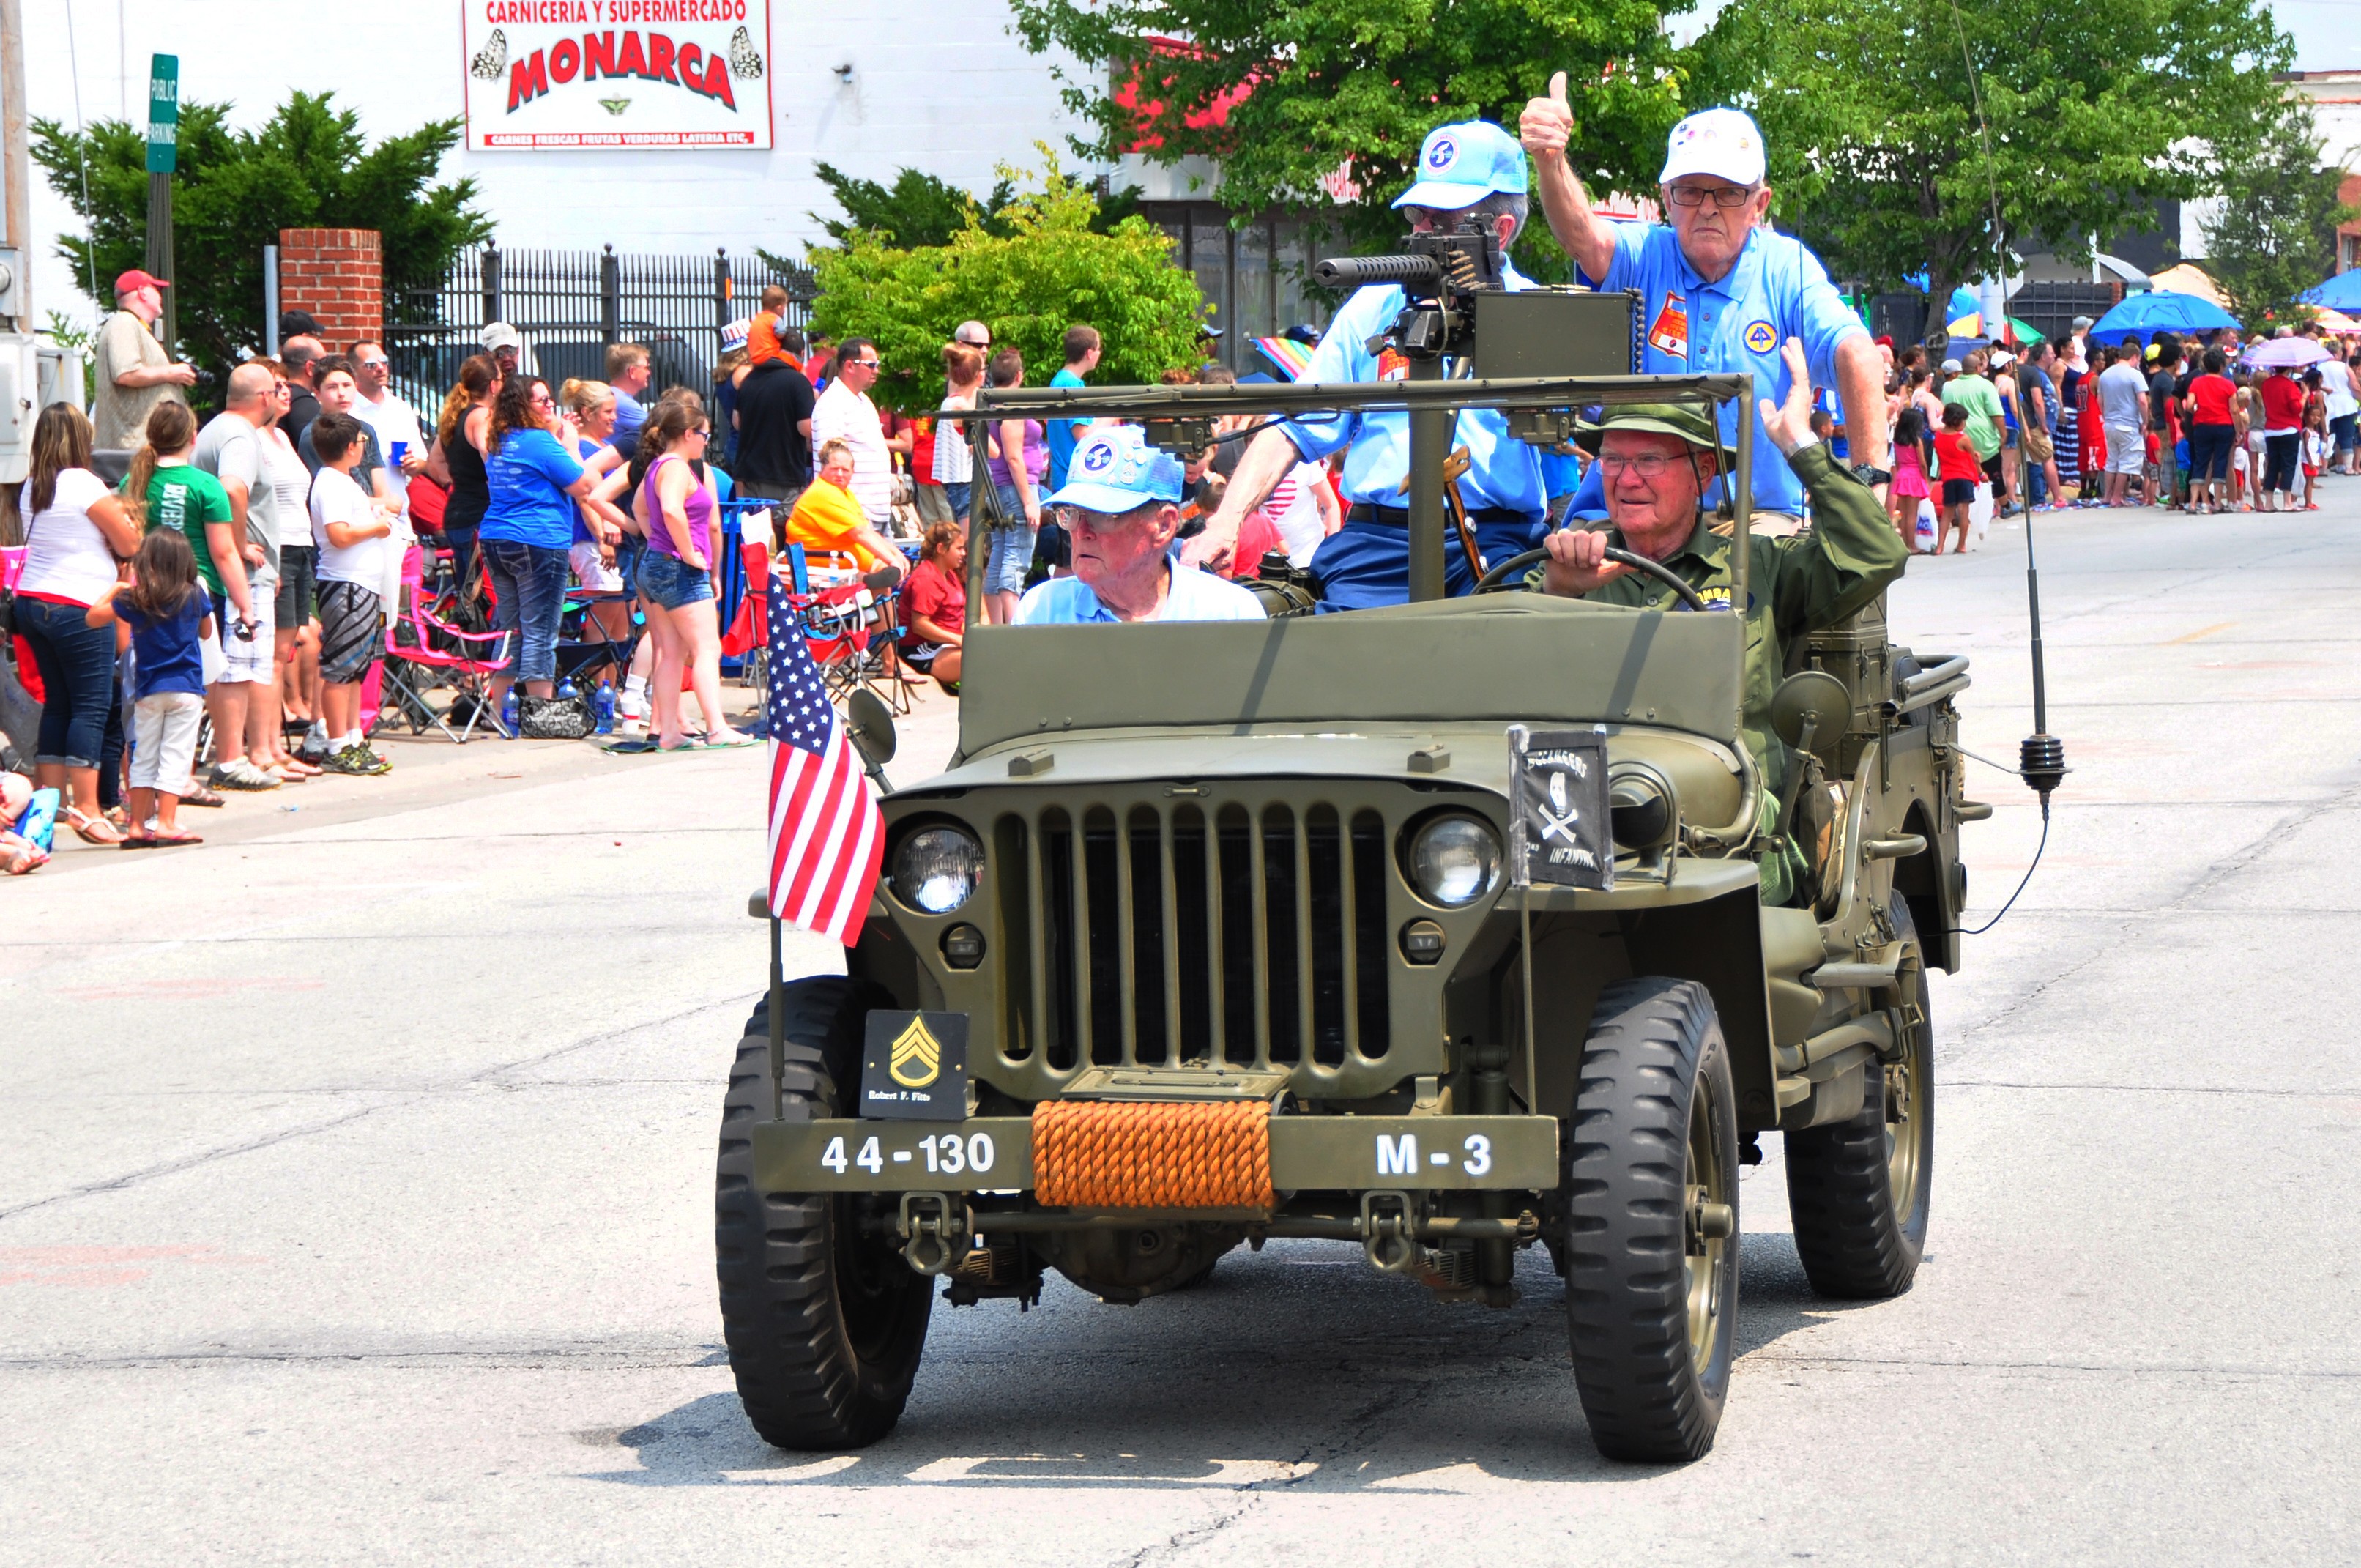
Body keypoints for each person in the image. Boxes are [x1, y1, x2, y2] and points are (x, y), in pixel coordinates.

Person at [1533, 341, 1907, 905]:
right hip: (1579, 826)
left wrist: (1800, 446)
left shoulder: (1759, 567)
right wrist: (1558, 590)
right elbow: (1491, 666)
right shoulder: (1565, 567)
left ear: (1703, 472)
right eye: (1612, 460)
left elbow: (1878, 553)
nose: (1626, 479)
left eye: (1649, 460)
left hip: (1727, 834)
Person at [1189, 120, 1547, 605]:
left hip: (1492, 543)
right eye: (1417, 215)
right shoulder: (1374, 306)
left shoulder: (1537, 313)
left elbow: (1604, 435)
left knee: (1508, 636)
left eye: (1442, 221)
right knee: (1324, 643)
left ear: (1499, 232)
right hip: (1376, 546)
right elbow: (1293, 429)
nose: (1421, 232)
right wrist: (1226, 522)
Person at [1521, 93, 1888, 513]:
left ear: (1759, 204)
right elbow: (1584, 237)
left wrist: (1870, 485)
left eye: (1729, 193)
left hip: (1759, 518)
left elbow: (1857, 354)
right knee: (1567, 552)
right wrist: (1550, 161)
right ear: (1667, 199)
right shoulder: (1646, 252)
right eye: (1691, 191)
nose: (1708, 208)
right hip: (1632, 509)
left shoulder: (1786, 267)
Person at [15, 404, 141, 844]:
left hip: (33, 603)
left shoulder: (33, 485)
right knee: (90, 705)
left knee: (59, 704)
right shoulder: (83, 482)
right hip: (79, 606)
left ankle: (50, 803)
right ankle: (88, 808)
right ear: (80, 438)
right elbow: (129, 541)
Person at [129, 401, 265, 793]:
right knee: (190, 689)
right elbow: (224, 553)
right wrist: (246, 606)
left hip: (145, 594)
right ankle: (181, 780)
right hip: (196, 597)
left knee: (148, 687)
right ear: (193, 437)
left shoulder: (133, 482)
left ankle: (148, 778)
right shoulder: (205, 486)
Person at [479, 376, 625, 726]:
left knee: (511, 629)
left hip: (498, 537)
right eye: (543, 401)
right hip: (538, 539)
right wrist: (571, 444)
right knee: (541, 630)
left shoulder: (500, 439)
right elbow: (586, 484)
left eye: (550, 400)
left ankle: (501, 713)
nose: (551, 406)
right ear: (523, 405)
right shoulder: (539, 441)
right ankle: (540, 714)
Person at [1017, 426, 1266, 625]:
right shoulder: (1042, 610)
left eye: (1103, 517)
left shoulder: (1229, 613)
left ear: (1164, 526)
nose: (1081, 532)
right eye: (1072, 513)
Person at [633, 400, 754, 751]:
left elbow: (641, 508)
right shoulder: (676, 467)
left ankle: (669, 731)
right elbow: (671, 509)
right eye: (704, 435)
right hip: (677, 567)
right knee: (707, 648)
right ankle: (717, 727)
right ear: (688, 434)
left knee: (671, 651)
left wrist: (658, 542)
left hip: (658, 564)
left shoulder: (658, 465)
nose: (706, 441)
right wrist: (688, 552)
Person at [86, 530, 212, 847]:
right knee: (175, 756)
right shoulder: (194, 594)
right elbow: (207, 632)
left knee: (143, 756)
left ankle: (137, 825)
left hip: (148, 690)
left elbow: (92, 618)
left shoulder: (136, 598)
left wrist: (117, 588)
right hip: (185, 688)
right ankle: (166, 822)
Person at [306, 412, 395, 776]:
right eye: (361, 441)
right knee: (340, 669)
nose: (363, 447)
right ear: (349, 447)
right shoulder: (331, 484)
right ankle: (336, 744)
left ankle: (354, 737)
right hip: (346, 586)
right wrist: (377, 527)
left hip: (361, 585)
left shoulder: (345, 481)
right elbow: (339, 534)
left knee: (356, 669)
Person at [91, 269, 196, 450]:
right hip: (132, 451)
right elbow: (125, 374)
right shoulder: (124, 322)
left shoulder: (131, 325)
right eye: (157, 290)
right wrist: (171, 372)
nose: (161, 296)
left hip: (139, 449)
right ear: (142, 292)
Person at [981, 349, 1048, 624]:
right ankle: (1014, 628)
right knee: (1016, 556)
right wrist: (1029, 502)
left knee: (1000, 553)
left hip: (997, 488)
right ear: (1019, 375)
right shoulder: (1011, 407)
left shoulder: (990, 403)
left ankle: (997, 626)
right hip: (1016, 487)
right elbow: (1013, 457)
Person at [810, 338, 904, 528]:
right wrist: (843, 514)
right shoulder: (832, 404)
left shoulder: (863, 401)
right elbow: (829, 464)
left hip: (875, 514)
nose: (876, 370)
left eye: (877, 365)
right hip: (852, 517)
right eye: (871, 365)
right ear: (850, 366)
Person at [428, 354, 498, 590]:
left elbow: (435, 462)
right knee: (482, 595)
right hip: (479, 517)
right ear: (493, 385)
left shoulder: (455, 416)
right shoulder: (482, 416)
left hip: (458, 513)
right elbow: (490, 456)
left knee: (468, 594)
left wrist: (457, 480)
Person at [732, 327, 817, 511]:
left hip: (749, 475)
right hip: (783, 476)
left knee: (754, 526)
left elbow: (737, 422)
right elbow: (806, 427)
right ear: (802, 354)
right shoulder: (798, 382)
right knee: (783, 526)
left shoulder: (749, 380)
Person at [899, 519, 967, 693]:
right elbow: (920, 625)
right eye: (959, 548)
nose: (964, 553)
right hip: (921, 648)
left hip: (946, 644)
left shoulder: (950, 575)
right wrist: (957, 639)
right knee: (981, 660)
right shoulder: (927, 578)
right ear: (941, 549)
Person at [1940, 351, 2005, 510]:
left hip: (1958, 439)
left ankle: (1969, 508)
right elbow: (1996, 414)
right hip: (1984, 439)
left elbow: (1945, 411)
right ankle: (2003, 505)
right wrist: (2003, 434)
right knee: (1994, 473)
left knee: (1966, 476)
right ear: (1978, 368)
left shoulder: (1949, 387)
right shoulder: (1986, 385)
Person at [1044, 324, 1102, 497]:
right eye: (1098, 349)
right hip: (1073, 480)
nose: (1100, 353)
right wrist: (1111, 418)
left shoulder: (1061, 380)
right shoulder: (1071, 384)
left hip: (1066, 479)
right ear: (1089, 353)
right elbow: (1082, 436)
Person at [932, 341, 984, 524]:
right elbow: (991, 449)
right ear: (979, 375)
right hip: (964, 481)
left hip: (956, 481)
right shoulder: (961, 406)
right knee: (970, 538)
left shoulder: (950, 401)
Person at [2183, 348, 2237, 514]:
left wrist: (2198, 410)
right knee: (2220, 462)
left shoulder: (2196, 382)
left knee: (2200, 462)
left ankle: (2193, 503)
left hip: (2202, 425)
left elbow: (2189, 405)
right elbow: (2234, 410)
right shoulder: (2228, 385)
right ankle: (2218, 502)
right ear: (2221, 366)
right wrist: (2238, 430)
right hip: (2224, 425)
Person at [2097, 343, 2150, 507]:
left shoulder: (2105, 375)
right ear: (2134, 357)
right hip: (2129, 424)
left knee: (2112, 460)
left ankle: (2107, 495)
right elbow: (2142, 401)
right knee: (2127, 462)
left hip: (2110, 424)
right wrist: (2145, 421)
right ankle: (2117, 497)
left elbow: (2100, 400)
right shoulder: (2135, 375)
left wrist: (2106, 416)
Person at [1932, 404, 1981, 554]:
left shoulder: (1938, 436)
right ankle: (1961, 545)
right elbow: (1974, 459)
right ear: (1956, 421)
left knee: (1947, 513)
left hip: (1948, 478)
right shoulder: (1963, 439)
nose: (1965, 424)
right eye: (1963, 421)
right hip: (1965, 477)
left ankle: (1940, 546)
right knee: (1963, 512)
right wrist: (1981, 473)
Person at [2018, 343, 2062, 512]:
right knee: (2046, 456)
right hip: (2033, 423)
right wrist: (2043, 424)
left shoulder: (2006, 375)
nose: (2054, 356)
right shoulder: (2033, 373)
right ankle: (2054, 497)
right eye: (2051, 353)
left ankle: (2018, 499)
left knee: (2017, 464)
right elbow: (2038, 401)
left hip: (2016, 424)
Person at [2258, 363, 2305, 513]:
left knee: (2273, 465)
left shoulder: (2266, 384)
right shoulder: (2289, 385)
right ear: (2289, 368)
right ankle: (2287, 502)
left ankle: (2269, 502)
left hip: (2271, 429)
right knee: (2288, 465)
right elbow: (2296, 408)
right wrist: (2304, 395)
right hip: (2288, 429)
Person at [1889, 393, 1933, 549]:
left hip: (1902, 475)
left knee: (1905, 514)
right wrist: (1925, 477)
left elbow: (1898, 461)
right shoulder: (1916, 441)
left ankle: (1906, 544)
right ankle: (1912, 545)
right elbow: (1922, 463)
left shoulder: (1897, 441)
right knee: (1912, 514)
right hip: (1914, 476)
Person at [606, 343, 653, 456]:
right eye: (646, 368)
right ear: (632, 372)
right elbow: (657, 432)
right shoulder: (622, 402)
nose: (649, 372)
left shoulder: (614, 396)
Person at [277, 336, 325, 439]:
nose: (327, 369)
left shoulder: (276, 397)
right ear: (310, 368)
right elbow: (319, 445)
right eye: (324, 363)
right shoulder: (304, 404)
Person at [746, 285, 797, 369]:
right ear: (779, 308)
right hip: (769, 356)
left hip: (754, 359)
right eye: (785, 307)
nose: (785, 310)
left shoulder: (756, 319)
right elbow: (780, 333)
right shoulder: (775, 319)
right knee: (793, 361)